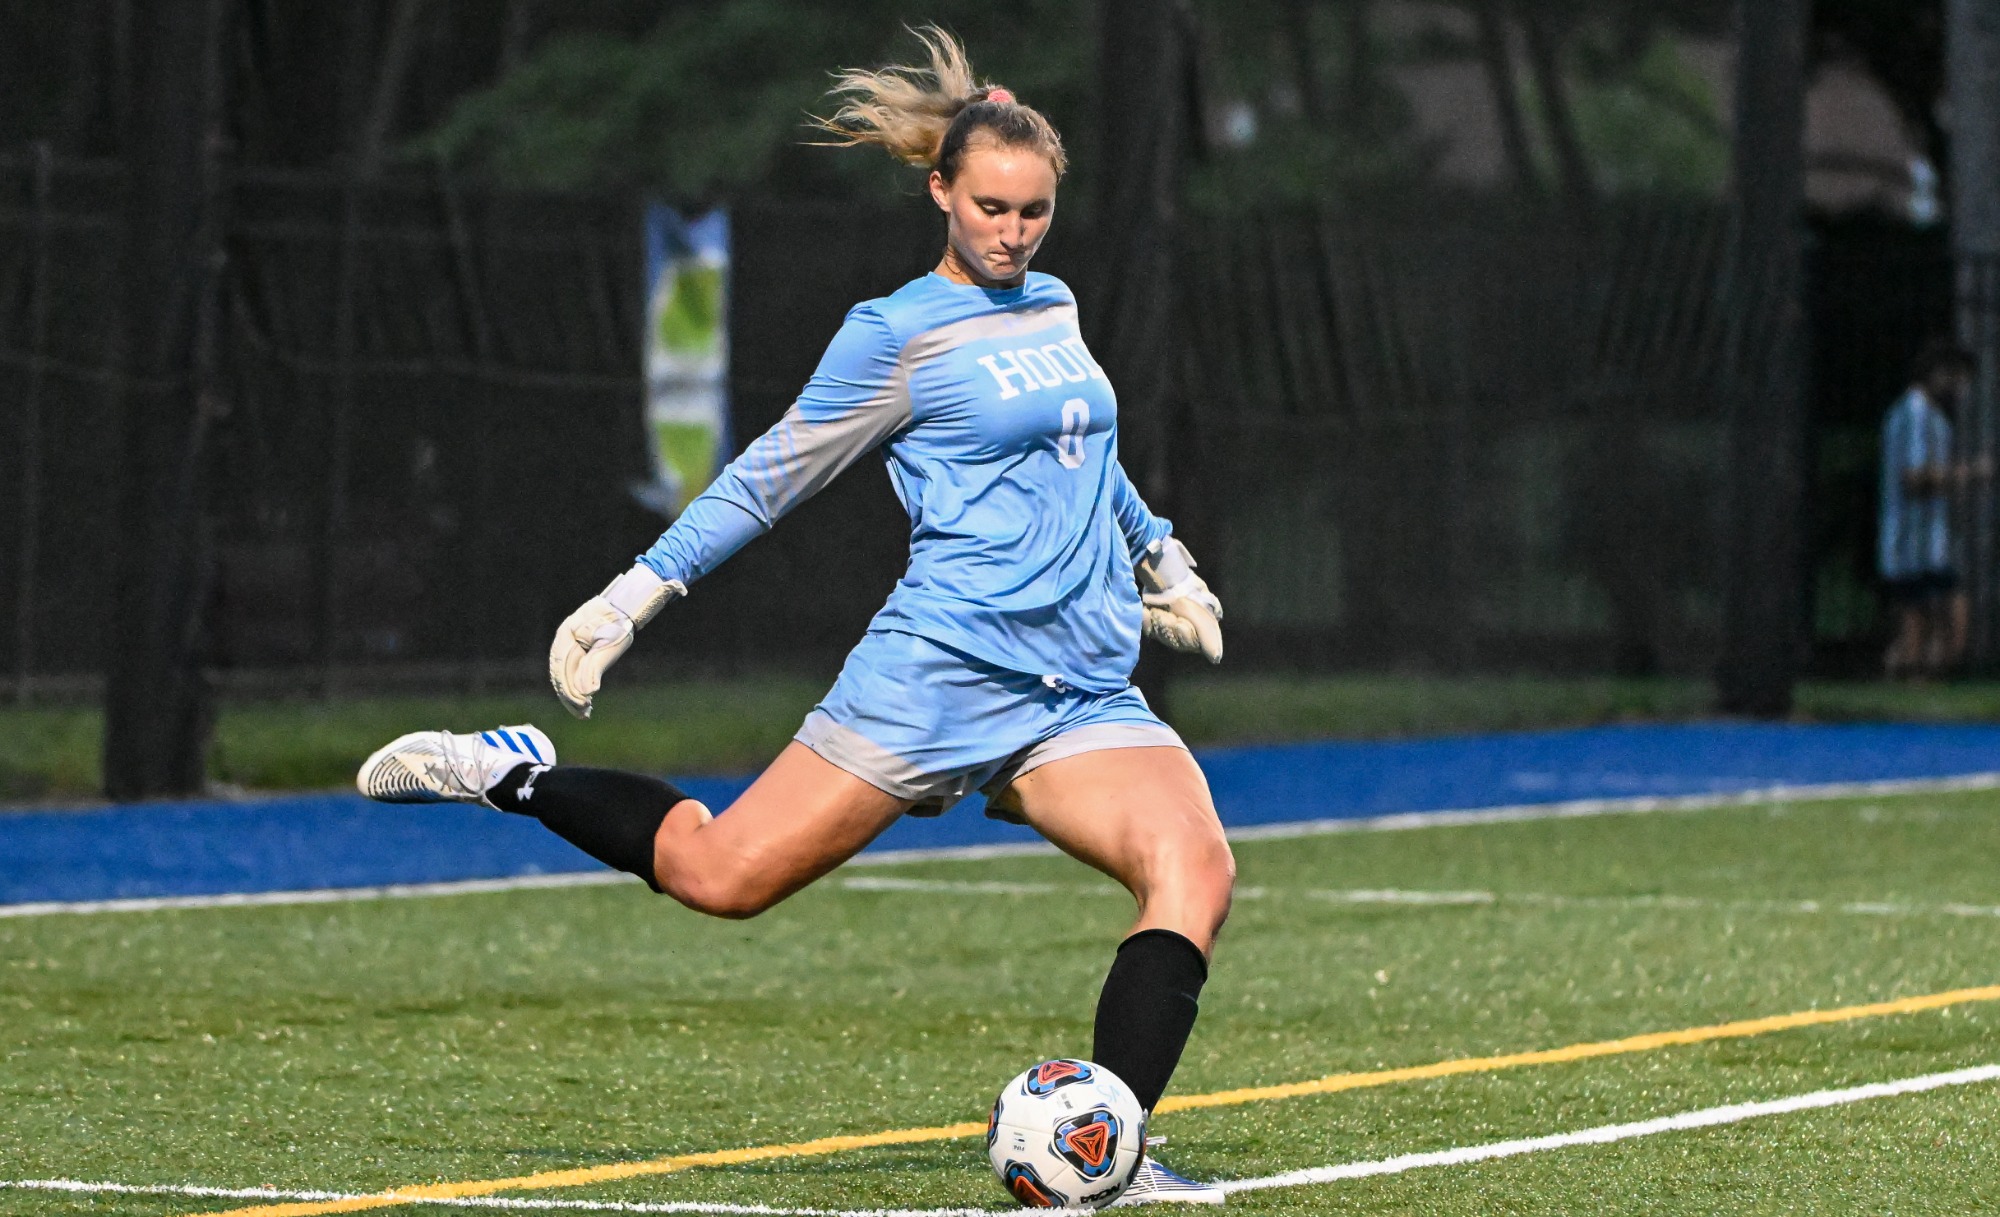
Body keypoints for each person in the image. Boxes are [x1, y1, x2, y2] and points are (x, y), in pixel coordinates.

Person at [357, 28, 1234, 1207]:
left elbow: (1087, 451)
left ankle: (1102, 1150)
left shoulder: (1054, 302)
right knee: (722, 874)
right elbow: (767, 476)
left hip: (1075, 688)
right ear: (939, 190)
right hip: (939, 671)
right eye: (988, 207)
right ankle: (513, 772)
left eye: (1032, 211)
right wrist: (633, 593)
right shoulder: (895, 333)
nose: (1013, 232)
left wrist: (1157, 552)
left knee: (1193, 869)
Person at [1879, 338, 1985, 680]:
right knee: (1930, 616)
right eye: (1958, 379)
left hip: (1927, 538)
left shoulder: (1931, 418)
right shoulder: (1915, 415)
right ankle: (1910, 676)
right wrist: (1969, 474)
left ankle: (1911, 674)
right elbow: (1913, 478)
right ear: (1940, 374)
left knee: (1930, 617)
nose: (1961, 389)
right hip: (1912, 539)